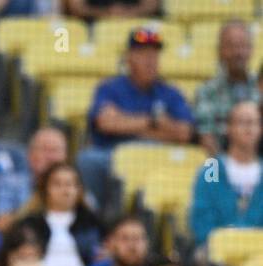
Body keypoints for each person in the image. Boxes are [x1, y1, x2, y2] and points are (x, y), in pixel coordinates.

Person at [77, 27, 194, 214]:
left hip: (158, 156)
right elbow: (106, 123)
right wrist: (154, 122)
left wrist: (126, 123)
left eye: (154, 55)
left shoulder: (171, 93)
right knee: (88, 160)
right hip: (114, 153)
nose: (150, 61)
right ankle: (95, 216)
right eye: (143, 54)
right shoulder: (110, 88)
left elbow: (184, 133)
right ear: (129, 57)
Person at [12, 161, 101, 266]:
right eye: (57, 184)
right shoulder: (29, 224)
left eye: (70, 184)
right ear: (45, 189)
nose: (65, 190)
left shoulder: (93, 223)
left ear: (79, 190)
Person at [191, 100, 263, 246]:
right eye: (243, 122)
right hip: (216, 253)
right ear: (229, 128)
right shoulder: (212, 169)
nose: (249, 128)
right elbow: (201, 220)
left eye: (254, 122)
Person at [192, 20, 258, 157]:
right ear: (219, 51)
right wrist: (228, 171)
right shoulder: (206, 92)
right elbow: (207, 137)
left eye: (242, 45)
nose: (237, 52)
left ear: (251, 49)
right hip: (224, 165)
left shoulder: (260, 88)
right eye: (231, 46)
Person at [0, 126, 68, 232]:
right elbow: (0, 224)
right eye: (45, 150)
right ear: (30, 155)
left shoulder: (74, 185)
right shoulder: (7, 183)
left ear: (65, 156)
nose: (50, 157)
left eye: (55, 150)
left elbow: (90, 222)